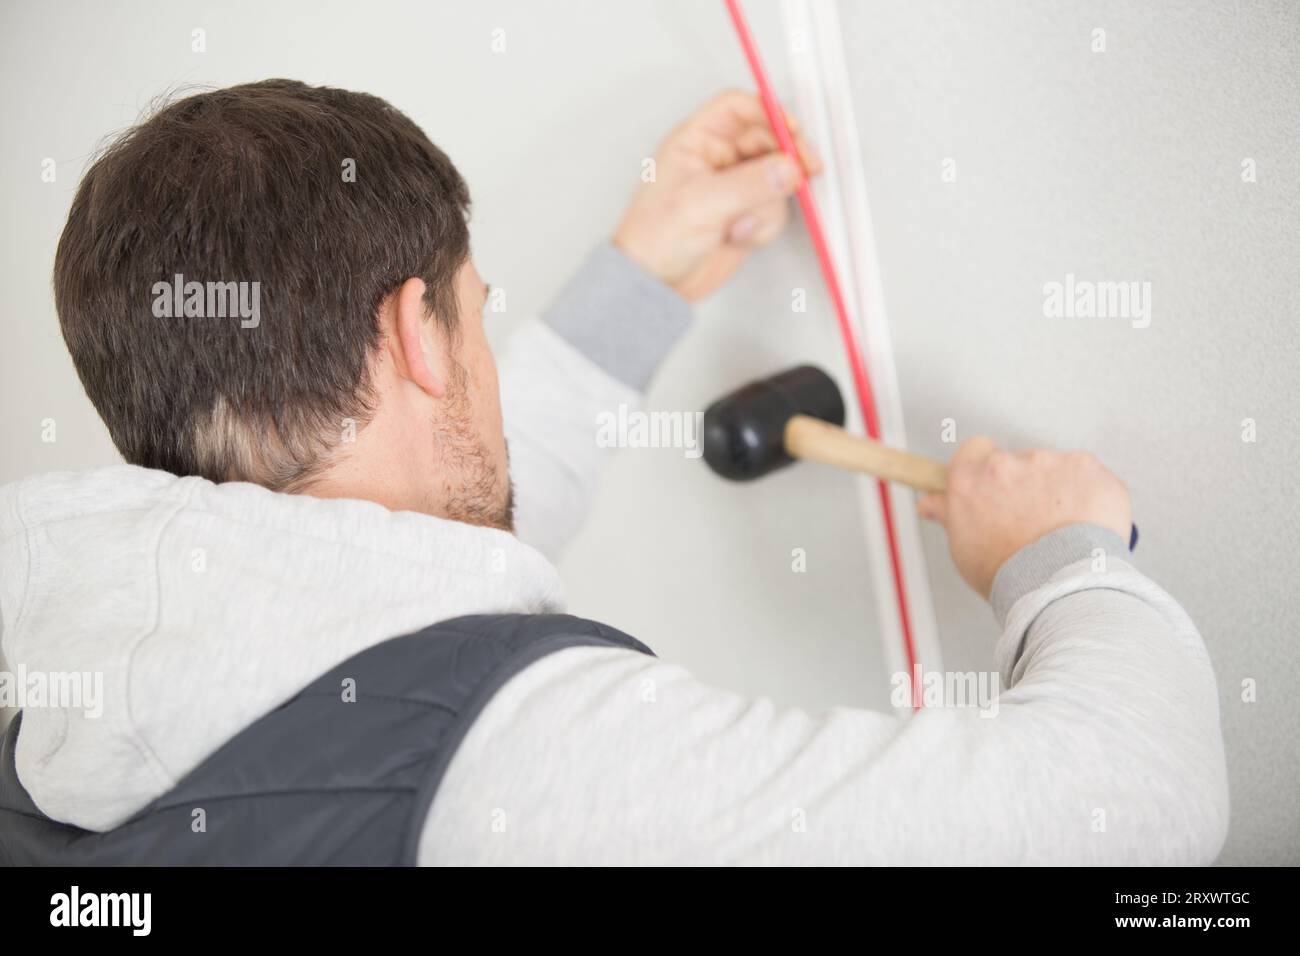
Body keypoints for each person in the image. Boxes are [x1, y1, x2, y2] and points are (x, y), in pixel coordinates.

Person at [0, 80, 1227, 865]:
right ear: (418, 336)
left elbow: (393, 587)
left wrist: (639, 283)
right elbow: (1136, 804)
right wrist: (1062, 559)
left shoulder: (65, 696)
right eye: (474, 317)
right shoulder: (517, 767)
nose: (474, 345)